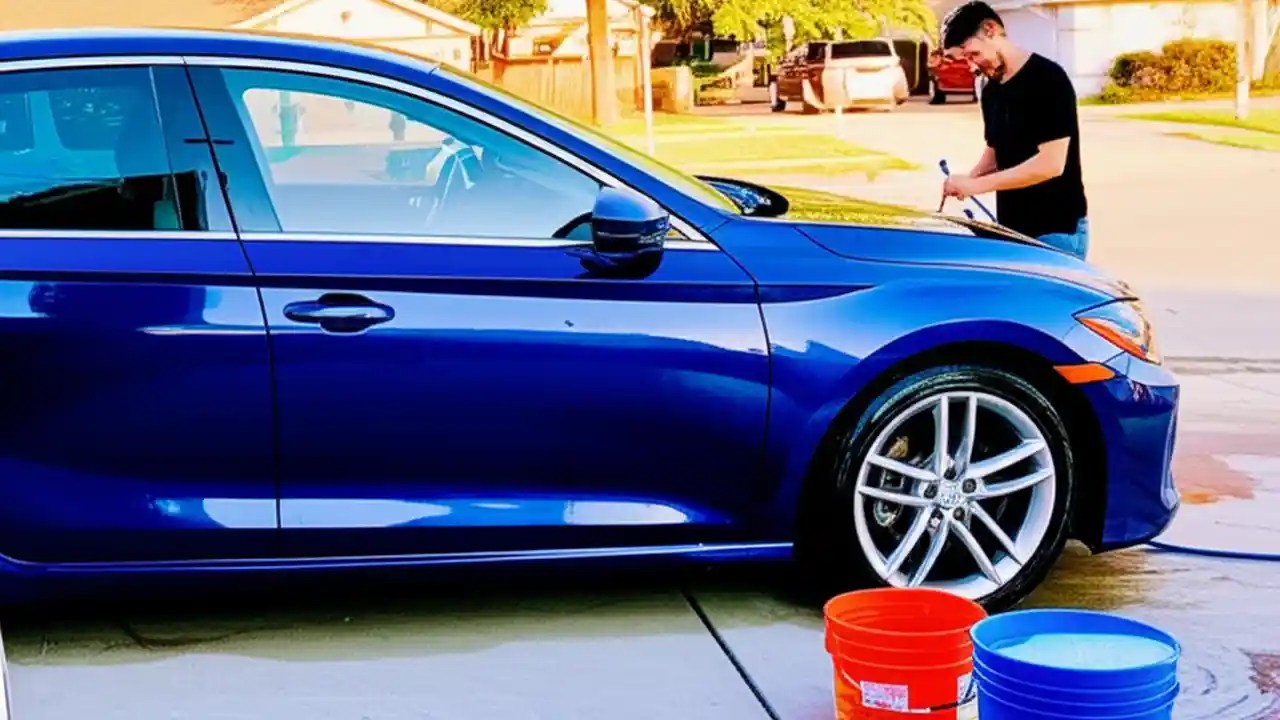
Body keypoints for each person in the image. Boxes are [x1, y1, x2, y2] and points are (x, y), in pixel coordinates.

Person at [938, 1, 1090, 259]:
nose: (972, 66)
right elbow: (996, 150)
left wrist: (976, 186)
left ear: (991, 30)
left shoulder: (1047, 79)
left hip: (1055, 230)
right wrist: (968, 180)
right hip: (1012, 228)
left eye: (973, 54)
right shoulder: (990, 89)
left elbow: (1051, 164)